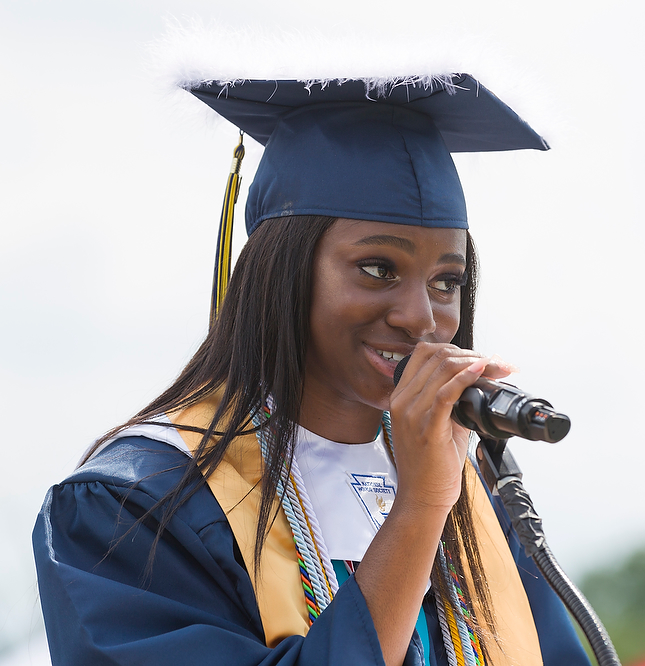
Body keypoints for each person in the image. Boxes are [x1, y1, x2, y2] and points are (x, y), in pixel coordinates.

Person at [32, 74, 590, 666]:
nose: (420, 317)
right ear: (282, 273)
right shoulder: (136, 503)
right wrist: (421, 506)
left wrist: (437, 494)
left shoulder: (476, 506)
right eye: (377, 268)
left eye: (446, 281)